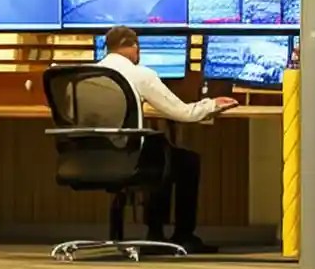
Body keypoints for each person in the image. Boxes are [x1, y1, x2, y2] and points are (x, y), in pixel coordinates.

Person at [95, 25, 237, 253]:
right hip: (129, 156)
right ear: (134, 47)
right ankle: (181, 236)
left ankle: (155, 233)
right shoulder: (140, 74)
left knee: (161, 152)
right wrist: (212, 104)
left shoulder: (87, 74)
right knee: (181, 160)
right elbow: (183, 113)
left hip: (94, 156)